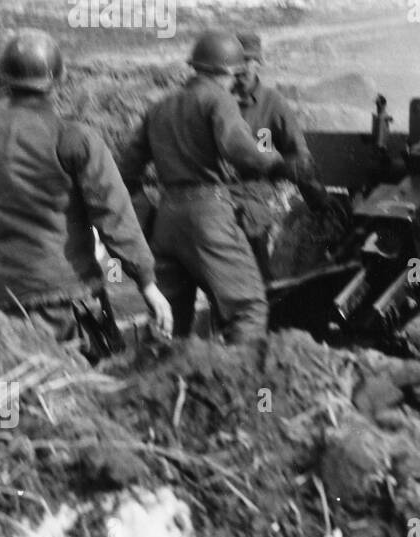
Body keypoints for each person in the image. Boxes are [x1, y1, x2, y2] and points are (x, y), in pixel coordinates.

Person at [0, 30, 172, 354]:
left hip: (0, 298)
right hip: (65, 298)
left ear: (3, 77)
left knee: (17, 396)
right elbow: (114, 217)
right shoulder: (75, 138)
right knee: (83, 390)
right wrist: (147, 282)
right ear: (60, 78)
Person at [118, 29, 308, 343]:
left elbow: (126, 171)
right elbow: (237, 147)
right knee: (248, 307)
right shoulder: (218, 100)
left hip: (165, 222)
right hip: (208, 215)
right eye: (234, 75)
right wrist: (277, 164)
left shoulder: (161, 106)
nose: (236, 82)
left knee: (169, 321)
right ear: (225, 72)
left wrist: (146, 213)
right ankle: (242, 387)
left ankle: (160, 384)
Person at [230, 31, 326, 280]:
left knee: (258, 276)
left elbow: (299, 158)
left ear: (257, 62)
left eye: (246, 61)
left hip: (253, 201)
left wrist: (317, 204)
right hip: (215, 197)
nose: (240, 69)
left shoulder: (273, 103)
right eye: (234, 62)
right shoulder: (218, 100)